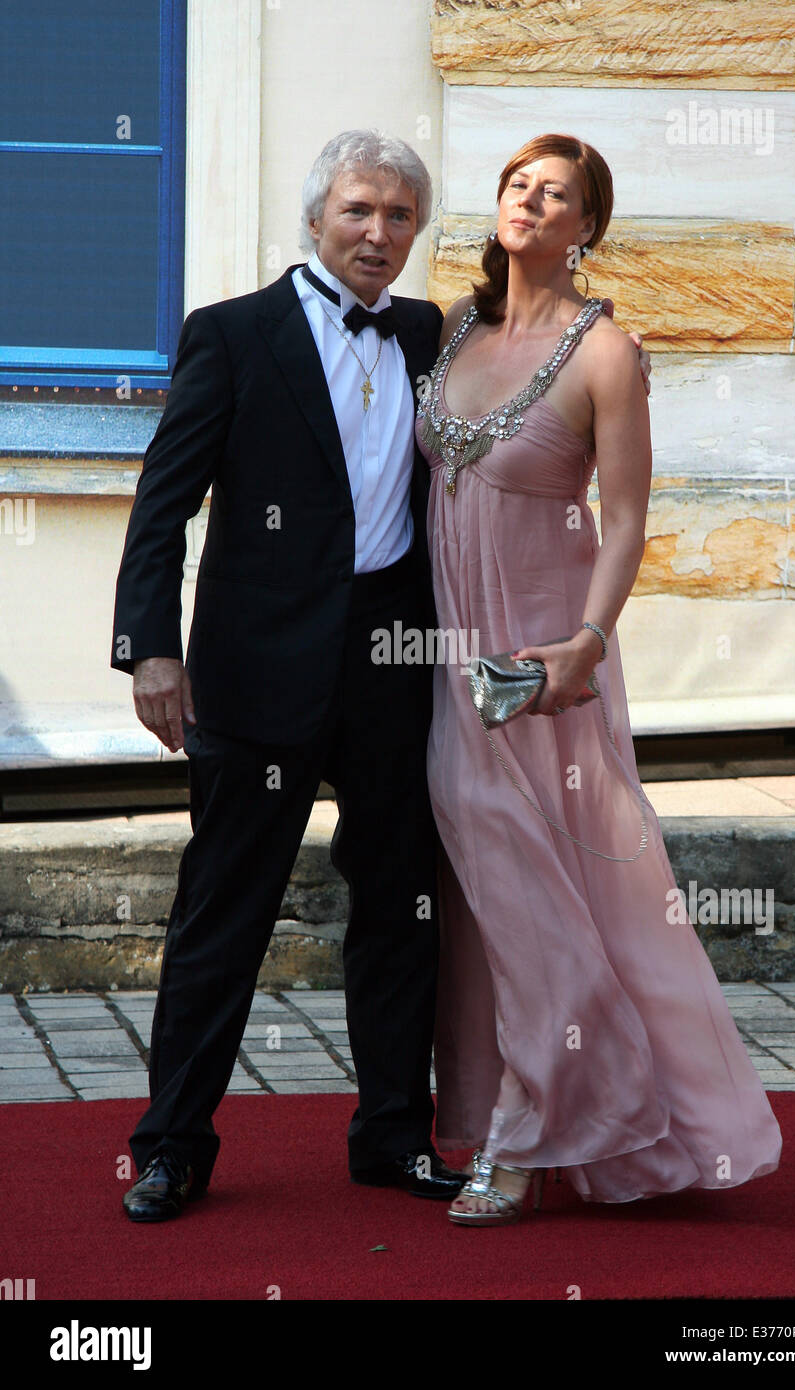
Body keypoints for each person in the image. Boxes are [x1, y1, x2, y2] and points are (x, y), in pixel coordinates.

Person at [111, 128, 650, 1223]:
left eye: (400, 215)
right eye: (359, 211)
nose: (379, 233)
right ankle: (171, 1145)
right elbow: (161, 504)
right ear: (316, 216)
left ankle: (395, 1138)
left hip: (397, 669)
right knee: (224, 911)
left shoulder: (431, 333)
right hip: (255, 669)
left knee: (402, 911)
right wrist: (149, 648)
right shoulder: (232, 334)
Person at [415, 133, 782, 1226]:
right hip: (447, 655)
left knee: (558, 890)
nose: (532, 203)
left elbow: (625, 520)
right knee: (508, 897)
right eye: (519, 186)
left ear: (587, 227)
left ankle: (531, 1139)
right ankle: (597, 1110)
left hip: (542, 667)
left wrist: (585, 641)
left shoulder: (604, 354)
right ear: (498, 209)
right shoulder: (454, 330)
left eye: (558, 195)